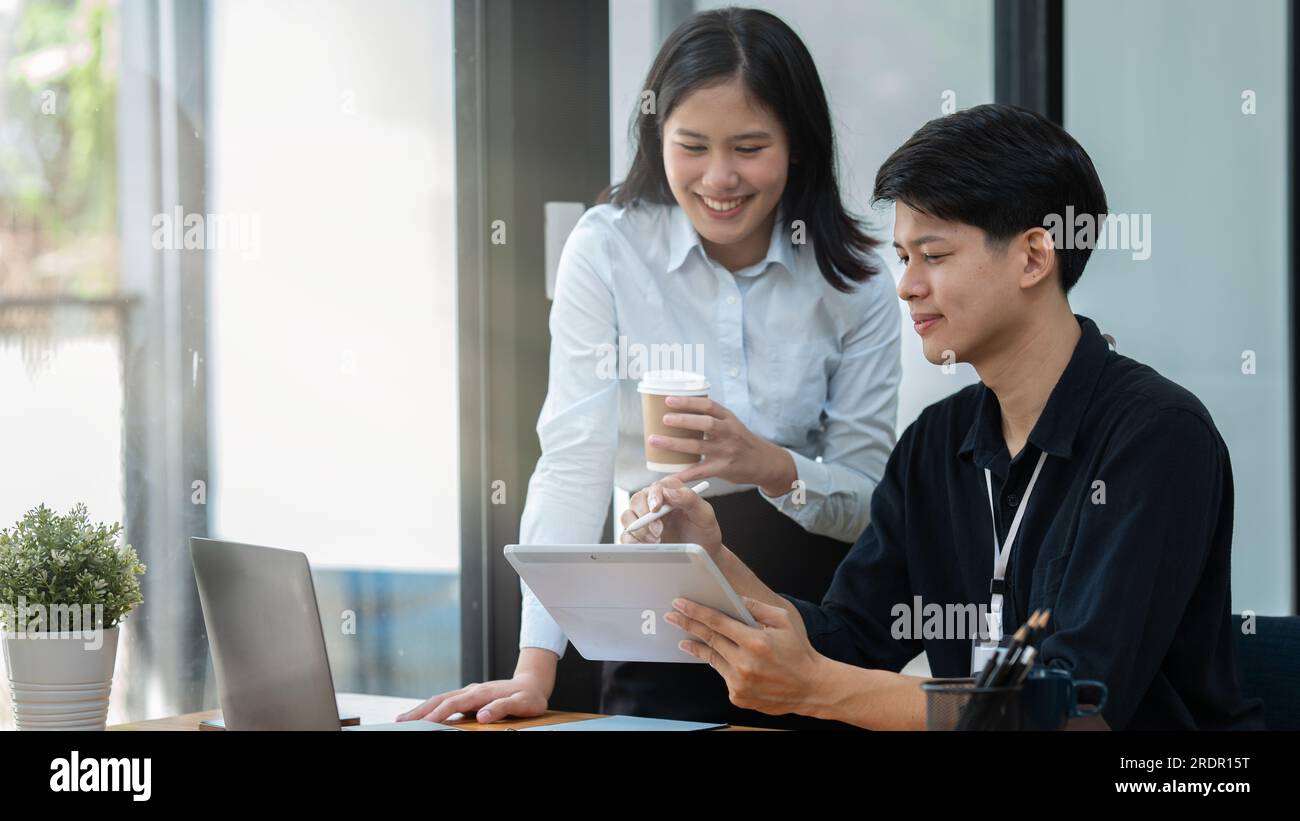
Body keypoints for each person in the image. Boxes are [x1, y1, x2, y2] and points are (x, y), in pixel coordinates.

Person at [618, 104, 1265, 731]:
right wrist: (710, 558)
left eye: (934, 254)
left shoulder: (1156, 435)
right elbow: (846, 642)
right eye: (903, 258)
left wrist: (820, 688)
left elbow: (1071, 709)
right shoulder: (935, 442)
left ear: (1034, 256)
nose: (906, 285)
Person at [398, 7, 900, 728]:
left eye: (751, 147)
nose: (720, 178)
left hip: (808, 619)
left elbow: (868, 504)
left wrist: (767, 463)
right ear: (655, 136)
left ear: (798, 145)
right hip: (657, 597)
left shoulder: (856, 279)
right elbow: (574, 458)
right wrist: (533, 668)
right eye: (691, 145)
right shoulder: (607, 249)